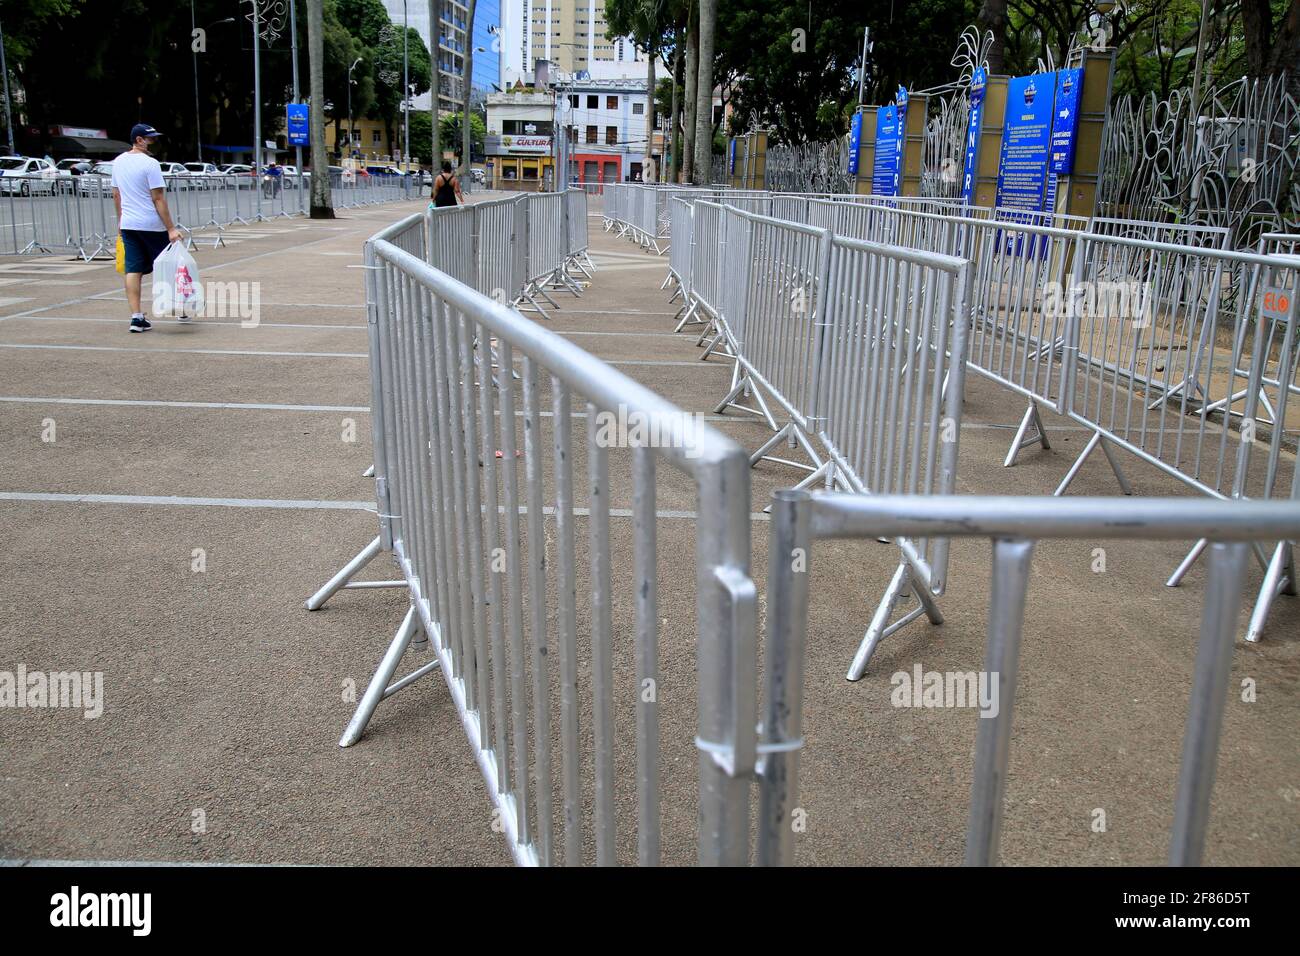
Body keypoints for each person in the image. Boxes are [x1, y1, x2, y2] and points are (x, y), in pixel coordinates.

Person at [112, 123, 182, 332]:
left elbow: (117, 194)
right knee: (170, 265)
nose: (154, 142)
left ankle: (136, 317)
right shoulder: (150, 164)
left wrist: (121, 220)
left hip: (129, 225)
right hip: (151, 224)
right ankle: (180, 307)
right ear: (139, 140)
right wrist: (171, 228)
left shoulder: (118, 162)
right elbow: (158, 198)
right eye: (150, 138)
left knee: (133, 269)